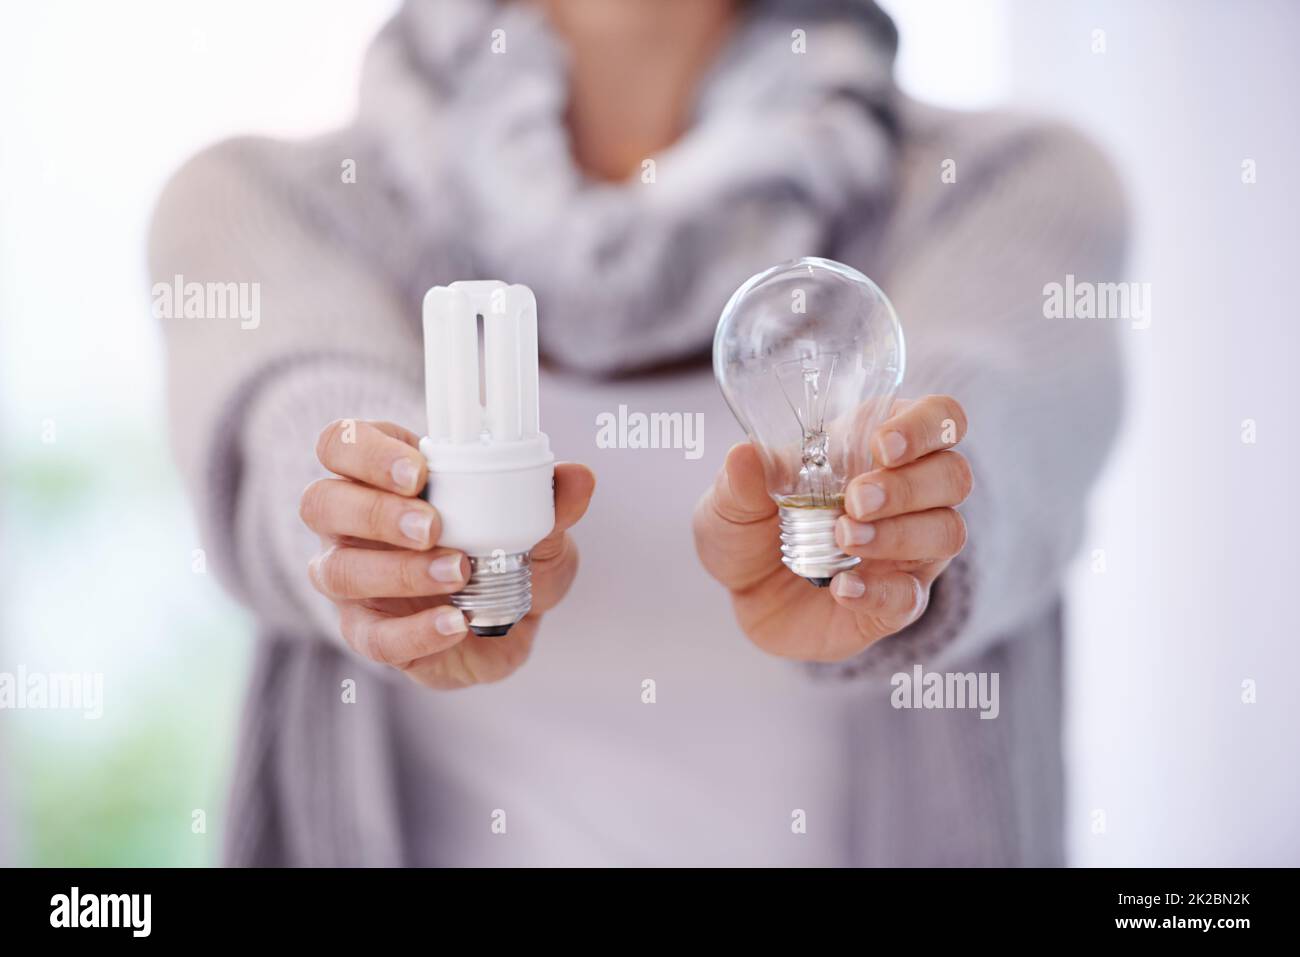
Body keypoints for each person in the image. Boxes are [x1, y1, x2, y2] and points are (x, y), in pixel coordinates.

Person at [150, 0, 1124, 865]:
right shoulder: (262, 204)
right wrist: (380, 518)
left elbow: (998, 420)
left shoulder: (1007, 185)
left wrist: (903, 530)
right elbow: (296, 412)